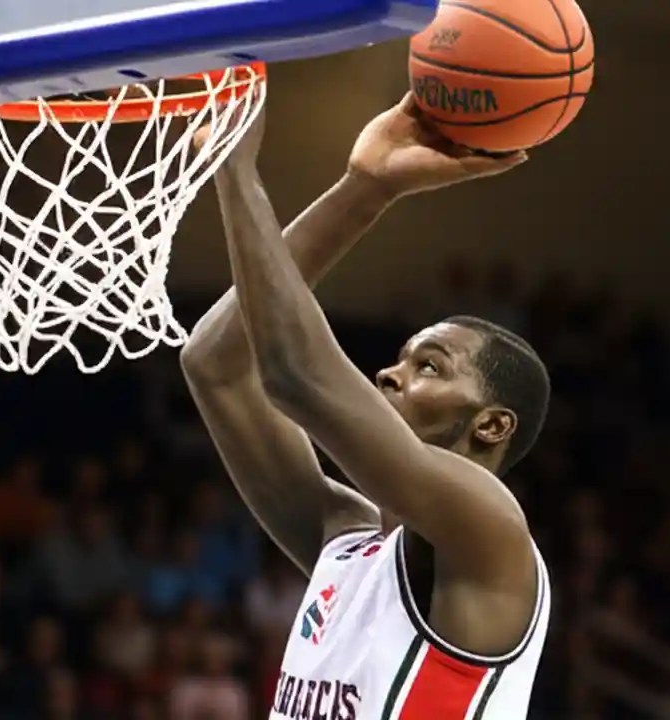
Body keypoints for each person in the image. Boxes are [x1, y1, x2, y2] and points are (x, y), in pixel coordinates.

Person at [181, 94, 550, 719]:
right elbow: (216, 366)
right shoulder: (348, 541)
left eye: (429, 367)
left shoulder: (491, 534)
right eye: (402, 358)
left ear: (491, 425)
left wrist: (237, 171)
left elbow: (295, 374)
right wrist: (364, 190)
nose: (389, 373)